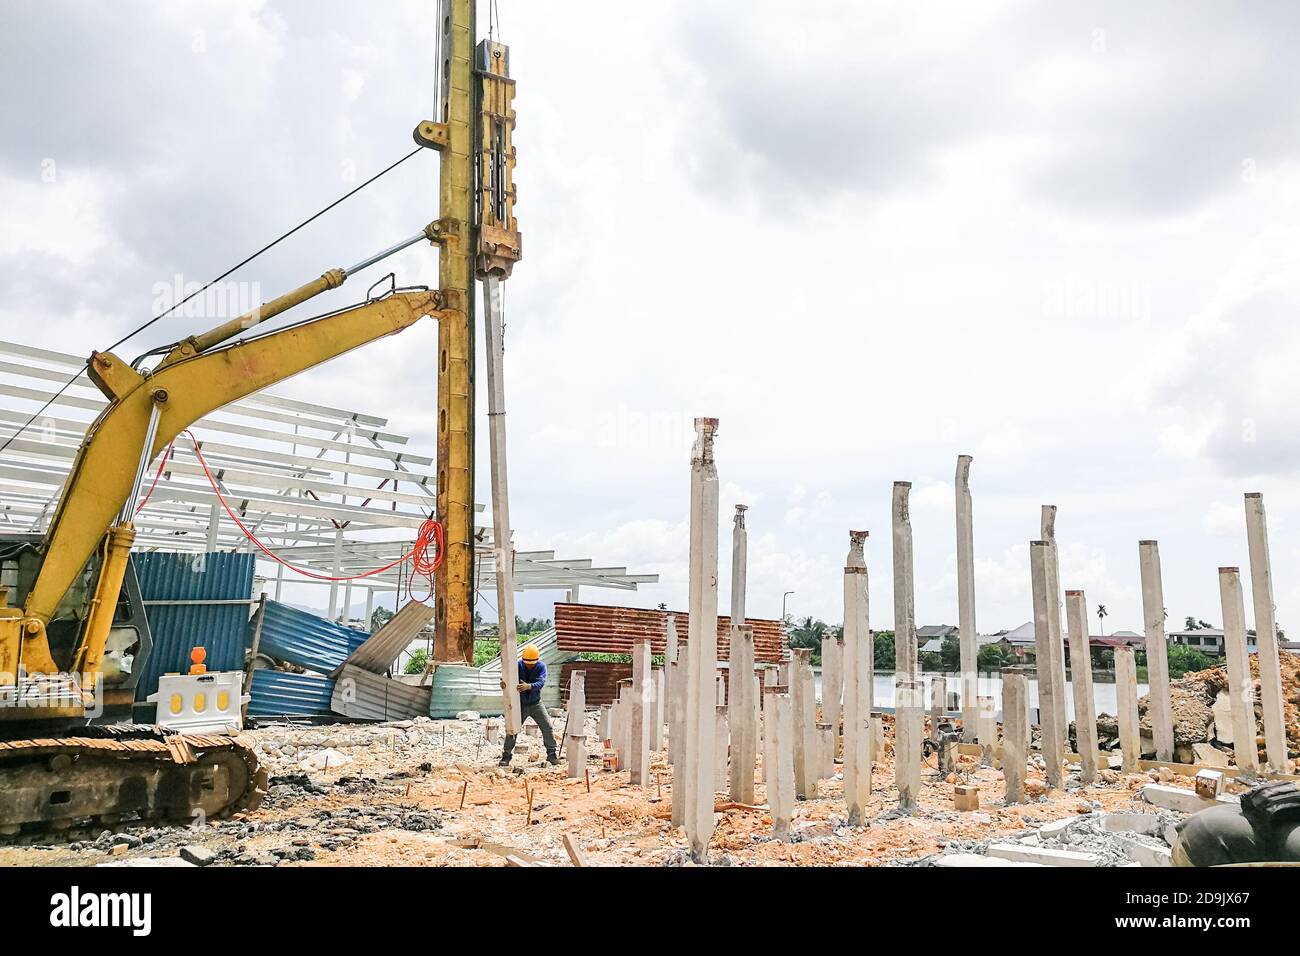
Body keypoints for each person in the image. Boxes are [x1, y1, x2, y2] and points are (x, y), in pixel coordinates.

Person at [498, 644, 559, 766]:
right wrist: (504, 683)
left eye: (531, 663)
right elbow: (507, 677)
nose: (529, 665)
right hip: (519, 704)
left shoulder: (541, 666)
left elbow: (541, 682)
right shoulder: (517, 665)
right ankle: (506, 757)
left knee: (547, 727)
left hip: (536, 703)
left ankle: (552, 755)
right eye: (527, 663)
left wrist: (529, 686)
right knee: (512, 730)